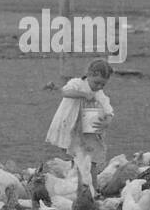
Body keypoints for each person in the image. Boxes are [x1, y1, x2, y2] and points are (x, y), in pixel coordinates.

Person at [46, 59, 114, 194]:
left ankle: (93, 190)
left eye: (103, 84)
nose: (99, 86)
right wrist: (84, 95)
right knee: (76, 159)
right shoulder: (77, 83)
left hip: (88, 132)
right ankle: (77, 188)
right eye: (96, 82)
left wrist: (107, 121)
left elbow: (109, 110)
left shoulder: (99, 94)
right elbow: (65, 92)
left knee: (91, 160)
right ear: (89, 74)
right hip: (72, 128)